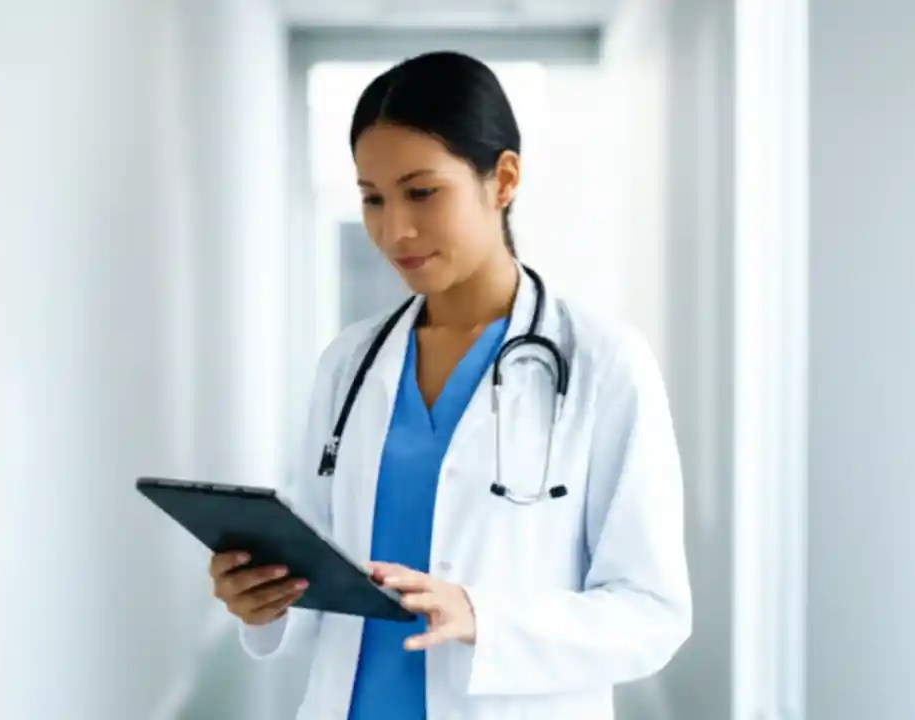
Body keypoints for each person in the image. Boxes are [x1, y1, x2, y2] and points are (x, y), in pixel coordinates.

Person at [208, 50, 691, 720]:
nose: (393, 230)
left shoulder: (604, 363)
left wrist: (483, 616)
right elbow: (314, 566)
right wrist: (262, 598)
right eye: (372, 198)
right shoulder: (349, 363)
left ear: (503, 180)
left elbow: (651, 615)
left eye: (422, 192)